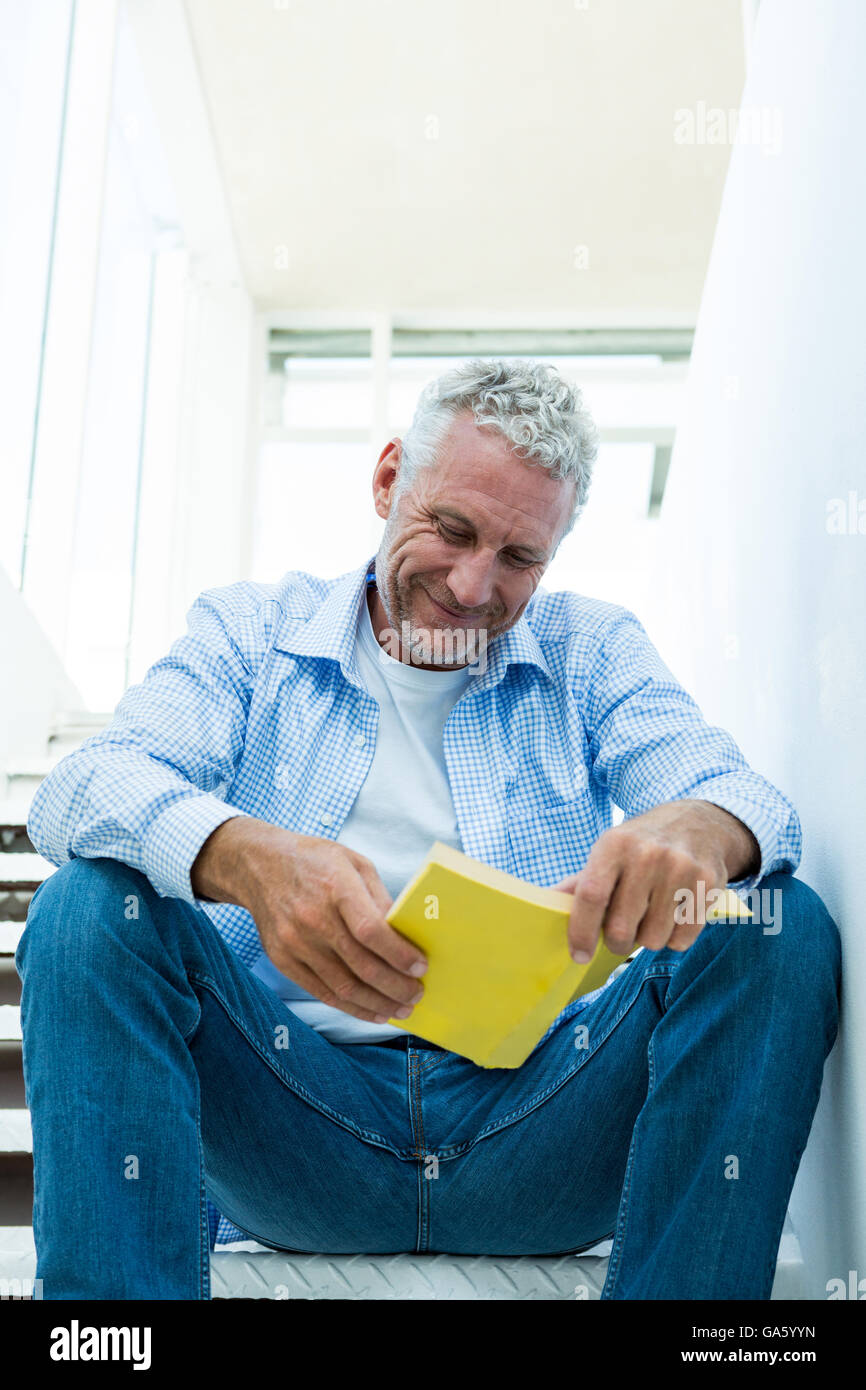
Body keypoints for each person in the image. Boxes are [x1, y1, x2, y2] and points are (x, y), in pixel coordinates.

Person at [17, 358, 840, 1300]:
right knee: (90, 909)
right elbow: (82, 788)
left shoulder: (593, 648)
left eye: (520, 557)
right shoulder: (250, 632)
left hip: (541, 1125)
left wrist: (701, 829)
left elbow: (743, 799)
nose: (473, 584)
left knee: (778, 923)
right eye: (451, 529)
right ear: (386, 479)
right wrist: (241, 857)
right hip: (295, 1122)